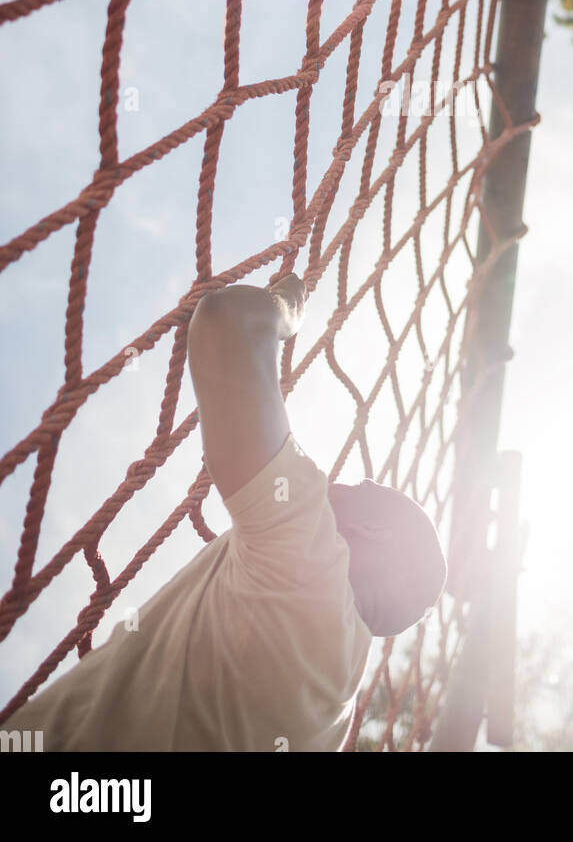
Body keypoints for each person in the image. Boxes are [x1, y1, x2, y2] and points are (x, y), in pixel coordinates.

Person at [2, 276, 447, 752]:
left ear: (371, 530)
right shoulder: (334, 723)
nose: (337, 484)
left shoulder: (310, 559)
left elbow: (227, 323)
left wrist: (286, 308)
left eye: (358, 487)